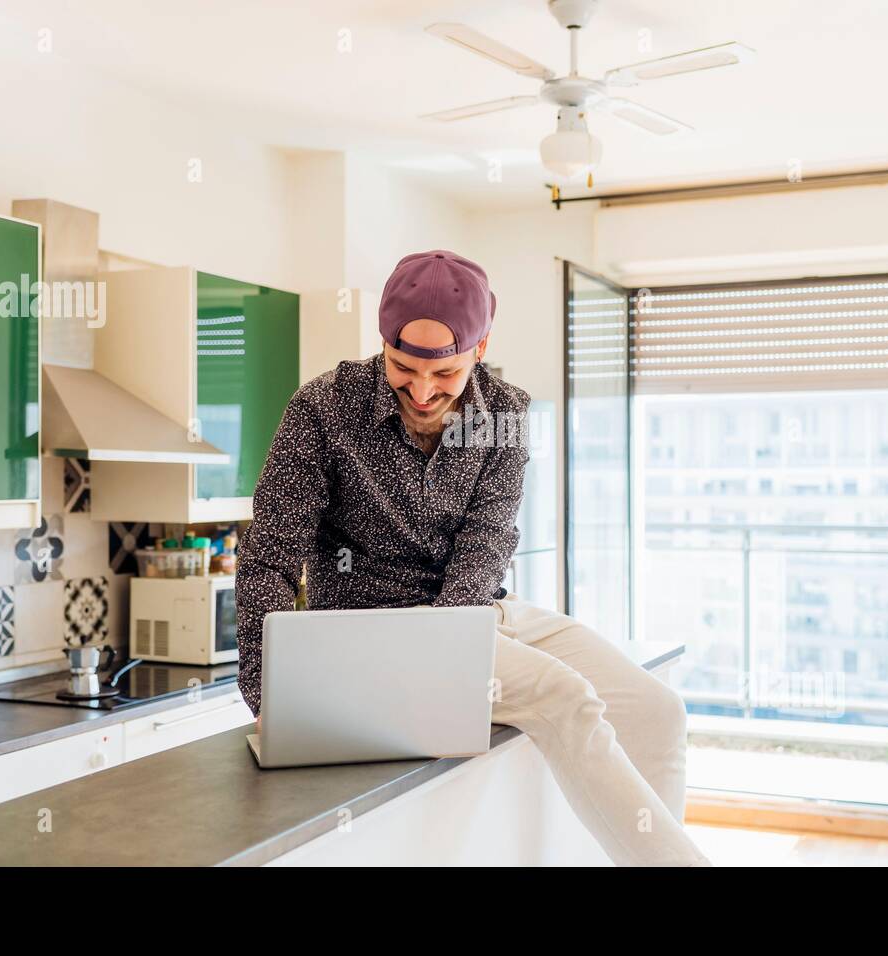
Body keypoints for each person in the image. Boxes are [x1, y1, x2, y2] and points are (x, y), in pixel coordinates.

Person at [234, 249, 709, 866]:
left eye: (446, 374)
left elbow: (488, 540)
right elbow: (270, 554)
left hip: (474, 610)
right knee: (565, 698)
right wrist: (271, 699)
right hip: (372, 627)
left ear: (479, 349)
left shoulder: (504, 412)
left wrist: (453, 640)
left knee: (657, 710)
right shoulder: (323, 409)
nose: (423, 391)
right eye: (403, 367)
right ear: (383, 341)